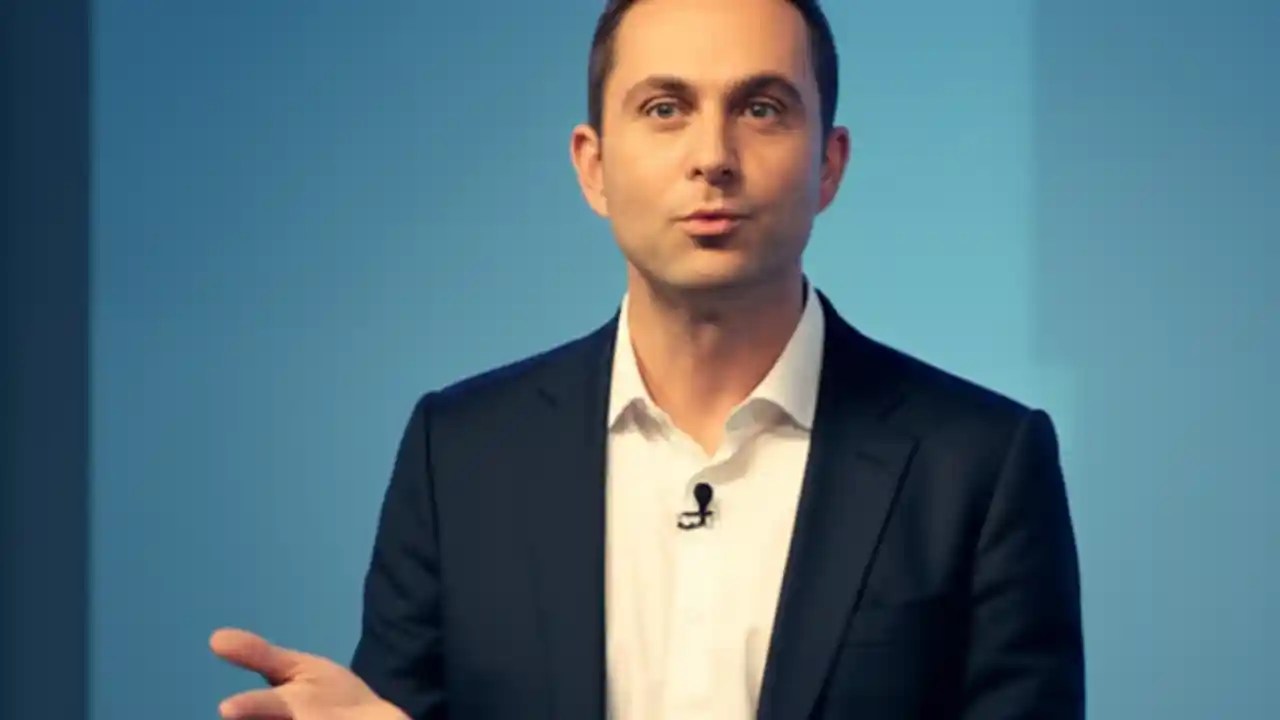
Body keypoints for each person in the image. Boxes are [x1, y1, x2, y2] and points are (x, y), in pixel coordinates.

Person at [210, 0, 1085, 717]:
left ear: (830, 164)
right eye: (665, 109)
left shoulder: (981, 464)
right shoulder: (460, 454)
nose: (712, 158)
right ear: (593, 166)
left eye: (762, 108)